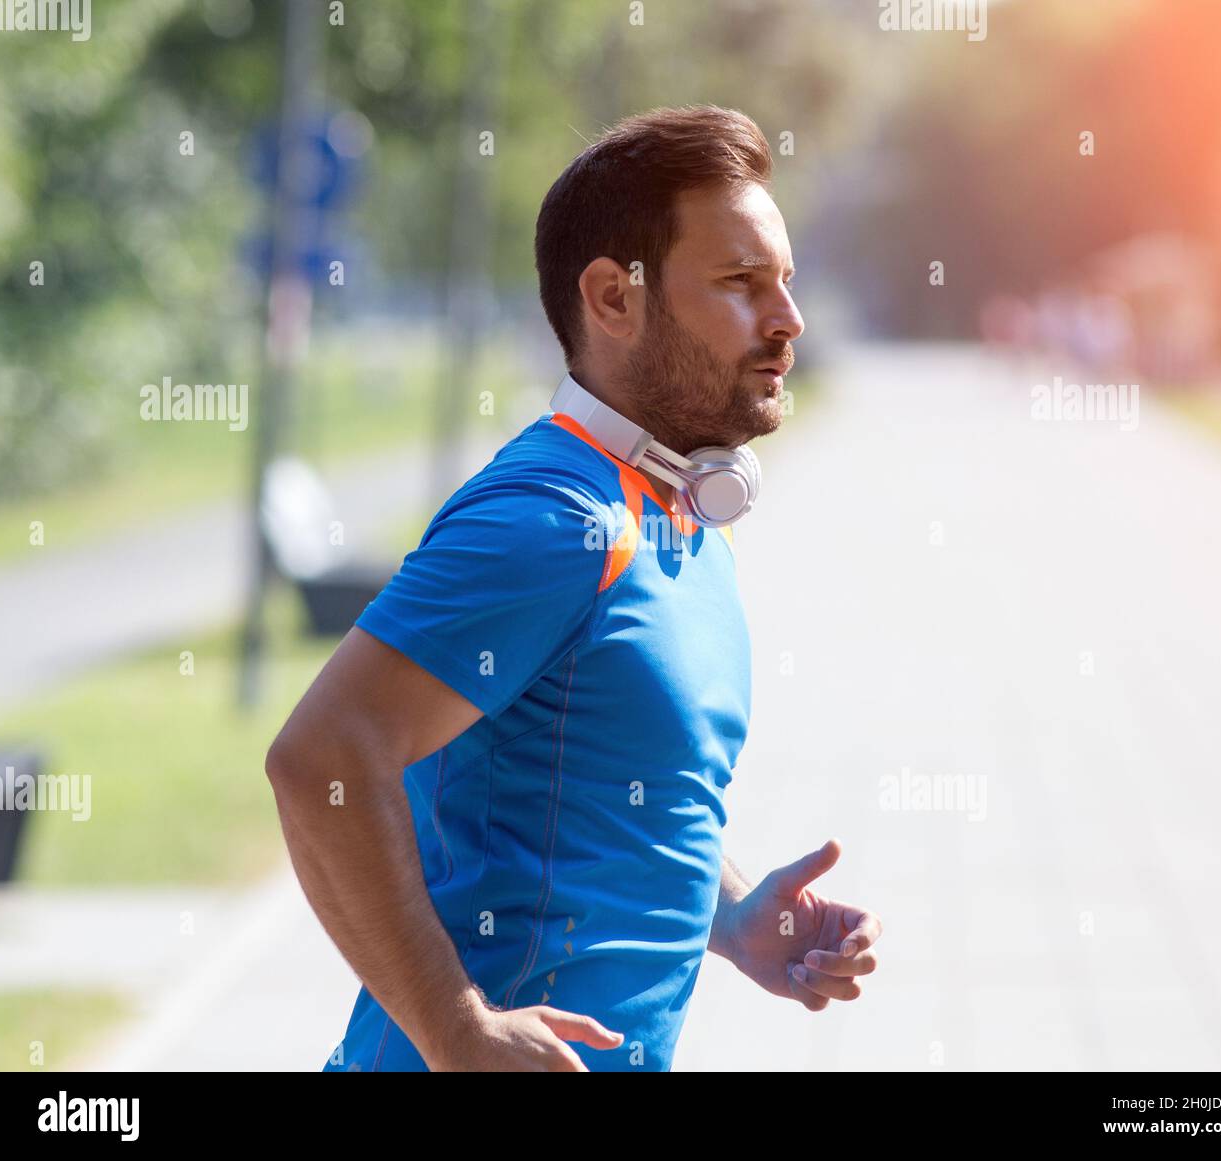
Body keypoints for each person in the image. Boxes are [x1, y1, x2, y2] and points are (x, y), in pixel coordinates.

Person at [266, 104, 881, 1073]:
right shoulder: (552, 521)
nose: (787, 319)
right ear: (611, 298)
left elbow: (594, 781)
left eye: (786, 282)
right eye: (739, 282)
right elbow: (319, 761)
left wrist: (729, 912)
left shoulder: (677, 513)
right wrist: (456, 1029)